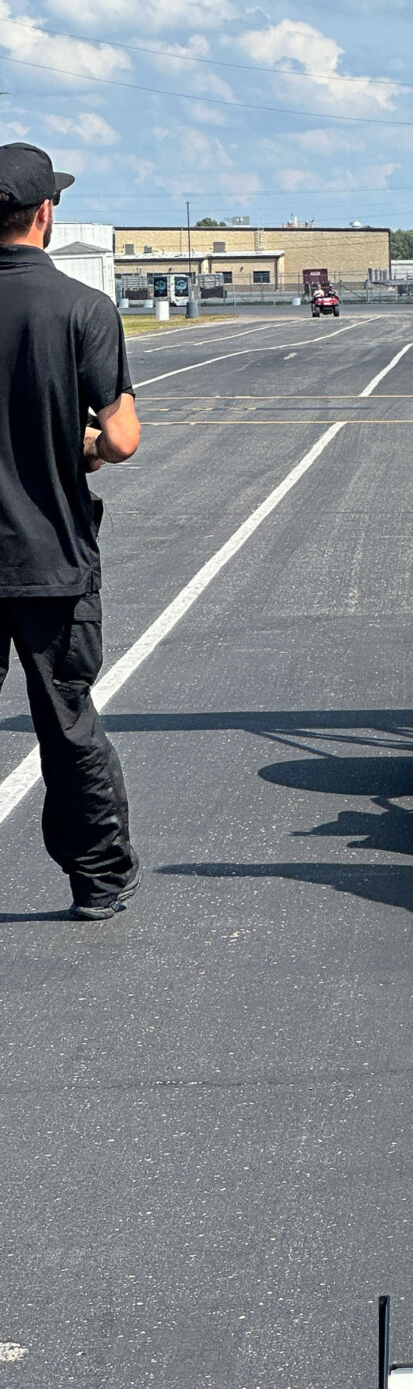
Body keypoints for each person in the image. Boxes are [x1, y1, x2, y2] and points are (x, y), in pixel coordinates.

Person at [0, 143, 142, 920]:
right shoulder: (83, 308)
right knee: (67, 724)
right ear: (45, 215)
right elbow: (120, 438)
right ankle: (98, 881)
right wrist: (73, 444)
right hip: (50, 557)